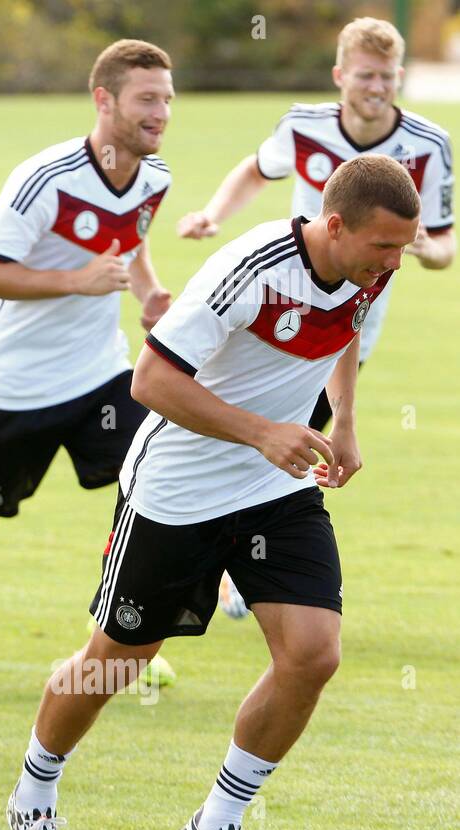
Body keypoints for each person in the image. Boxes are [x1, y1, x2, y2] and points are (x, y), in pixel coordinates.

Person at [6, 155, 417, 830]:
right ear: (335, 226)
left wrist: (343, 419)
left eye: (403, 247)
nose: (395, 262)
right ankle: (34, 787)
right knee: (115, 662)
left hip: (273, 489)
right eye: (384, 246)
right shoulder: (252, 271)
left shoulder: (366, 267)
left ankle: (216, 824)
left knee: (313, 653)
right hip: (177, 492)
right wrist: (261, 432)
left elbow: (349, 320)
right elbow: (150, 381)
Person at [0, 40, 176, 686]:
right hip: (15, 387)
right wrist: (76, 282)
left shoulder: (155, 177)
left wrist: (150, 296)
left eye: (168, 99)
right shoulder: (47, 178)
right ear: (104, 100)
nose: (161, 113)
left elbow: (132, 245)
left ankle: (123, 638)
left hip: (104, 375)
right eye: (147, 99)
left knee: (153, 493)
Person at [176, 17, 453, 620]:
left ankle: (244, 564)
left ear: (400, 77)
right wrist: (214, 213)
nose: (377, 87)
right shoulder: (304, 125)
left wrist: (421, 249)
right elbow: (256, 169)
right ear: (339, 75)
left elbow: (444, 243)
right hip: (276, 312)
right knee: (258, 433)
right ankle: (226, 566)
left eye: (387, 77)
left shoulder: (429, 143)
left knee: (289, 442)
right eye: (366, 75)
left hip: (349, 325)